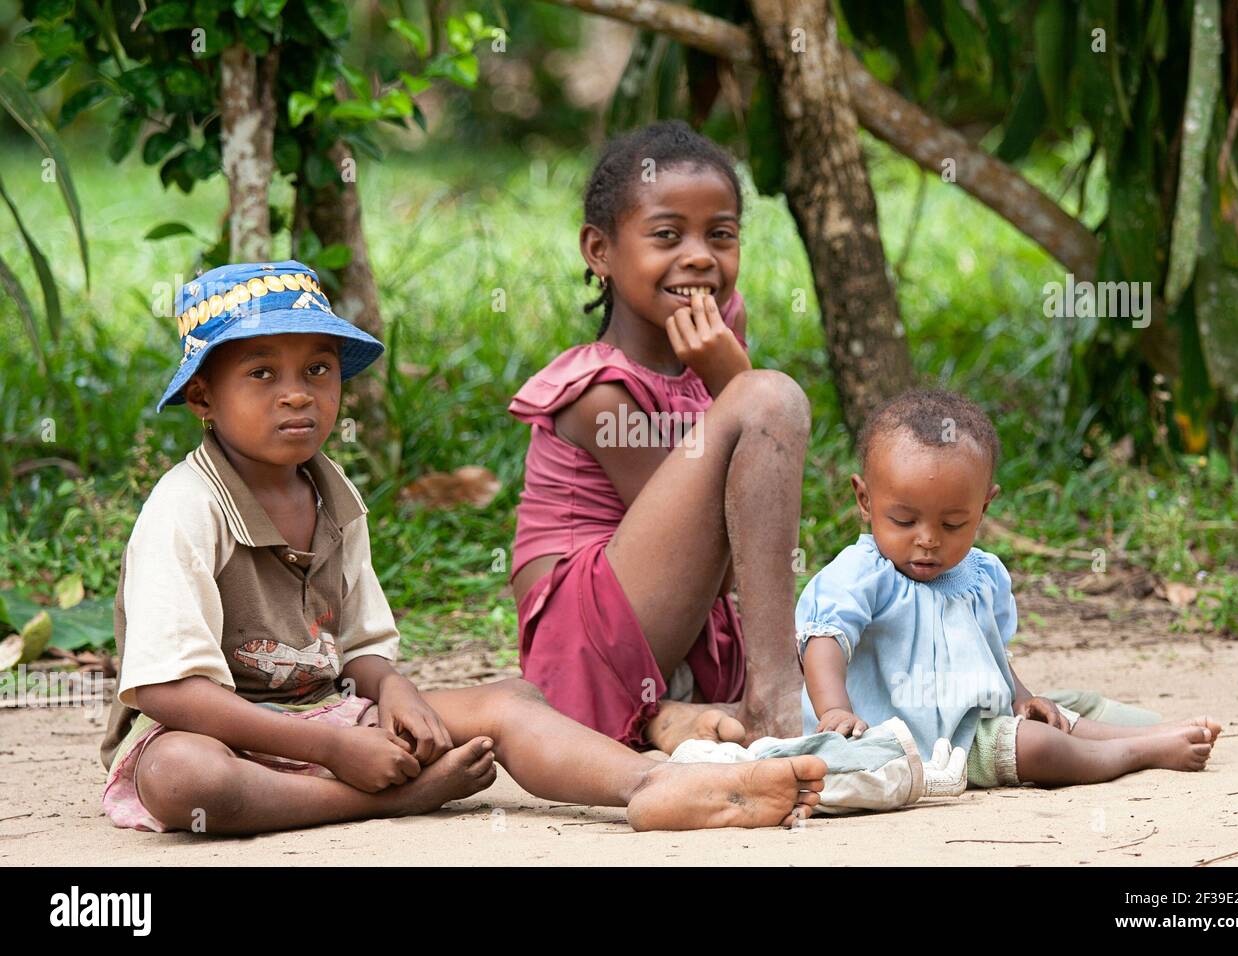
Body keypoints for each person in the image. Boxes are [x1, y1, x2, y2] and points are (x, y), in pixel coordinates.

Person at [98, 259, 826, 835]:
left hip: (324, 714)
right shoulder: (184, 510)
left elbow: (360, 649)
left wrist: (392, 689)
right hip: (219, 733)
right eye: (262, 374)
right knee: (183, 781)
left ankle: (657, 786)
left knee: (512, 702)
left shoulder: (332, 494)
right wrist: (335, 752)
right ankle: (382, 802)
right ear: (201, 397)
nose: (298, 395)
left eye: (317, 370)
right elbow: (167, 690)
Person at [509, 121, 808, 754]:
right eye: (666, 235)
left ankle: (674, 714)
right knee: (771, 396)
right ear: (600, 251)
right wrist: (735, 380)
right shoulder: (599, 393)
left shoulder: (724, 332)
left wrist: (731, 373)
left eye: (721, 235)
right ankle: (774, 704)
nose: (700, 257)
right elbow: (721, 559)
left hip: (672, 633)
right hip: (588, 650)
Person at [796, 387, 1221, 788]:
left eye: (952, 524)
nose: (927, 539)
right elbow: (825, 639)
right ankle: (1139, 752)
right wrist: (834, 710)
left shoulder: (982, 575)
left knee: (1053, 721)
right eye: (904, 521)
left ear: (984, 506)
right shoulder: (862, 572)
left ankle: (1157, 733)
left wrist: (1023, 699)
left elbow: (991, 654)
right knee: (1039, 746)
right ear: (865, 499)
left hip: (977, 725)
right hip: (909, 743)